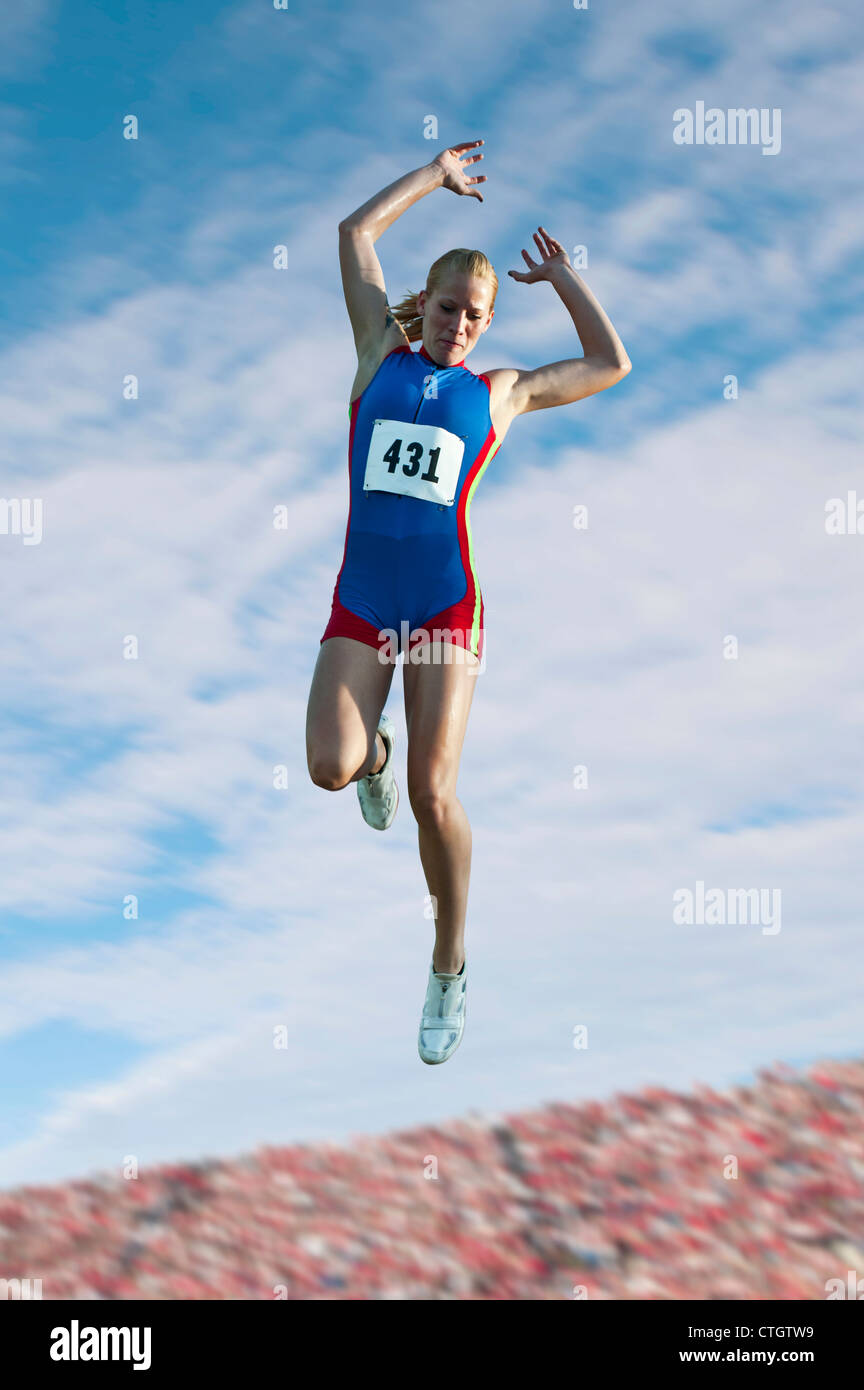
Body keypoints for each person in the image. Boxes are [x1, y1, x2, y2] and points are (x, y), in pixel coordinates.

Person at [306, 140, 631, 1064]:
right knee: (332, 765)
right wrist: (432, 176)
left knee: (433, 795)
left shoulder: (501, 394)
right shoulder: (380, 354)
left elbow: (610, 361)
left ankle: (448, 961)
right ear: (429, 303)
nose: (459, 326)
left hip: (447, 603)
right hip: (365, 598)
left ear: (488, 325)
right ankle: (370, 750)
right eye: (449, 308)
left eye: (476, 317)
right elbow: (352, 231)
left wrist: (565, 278)